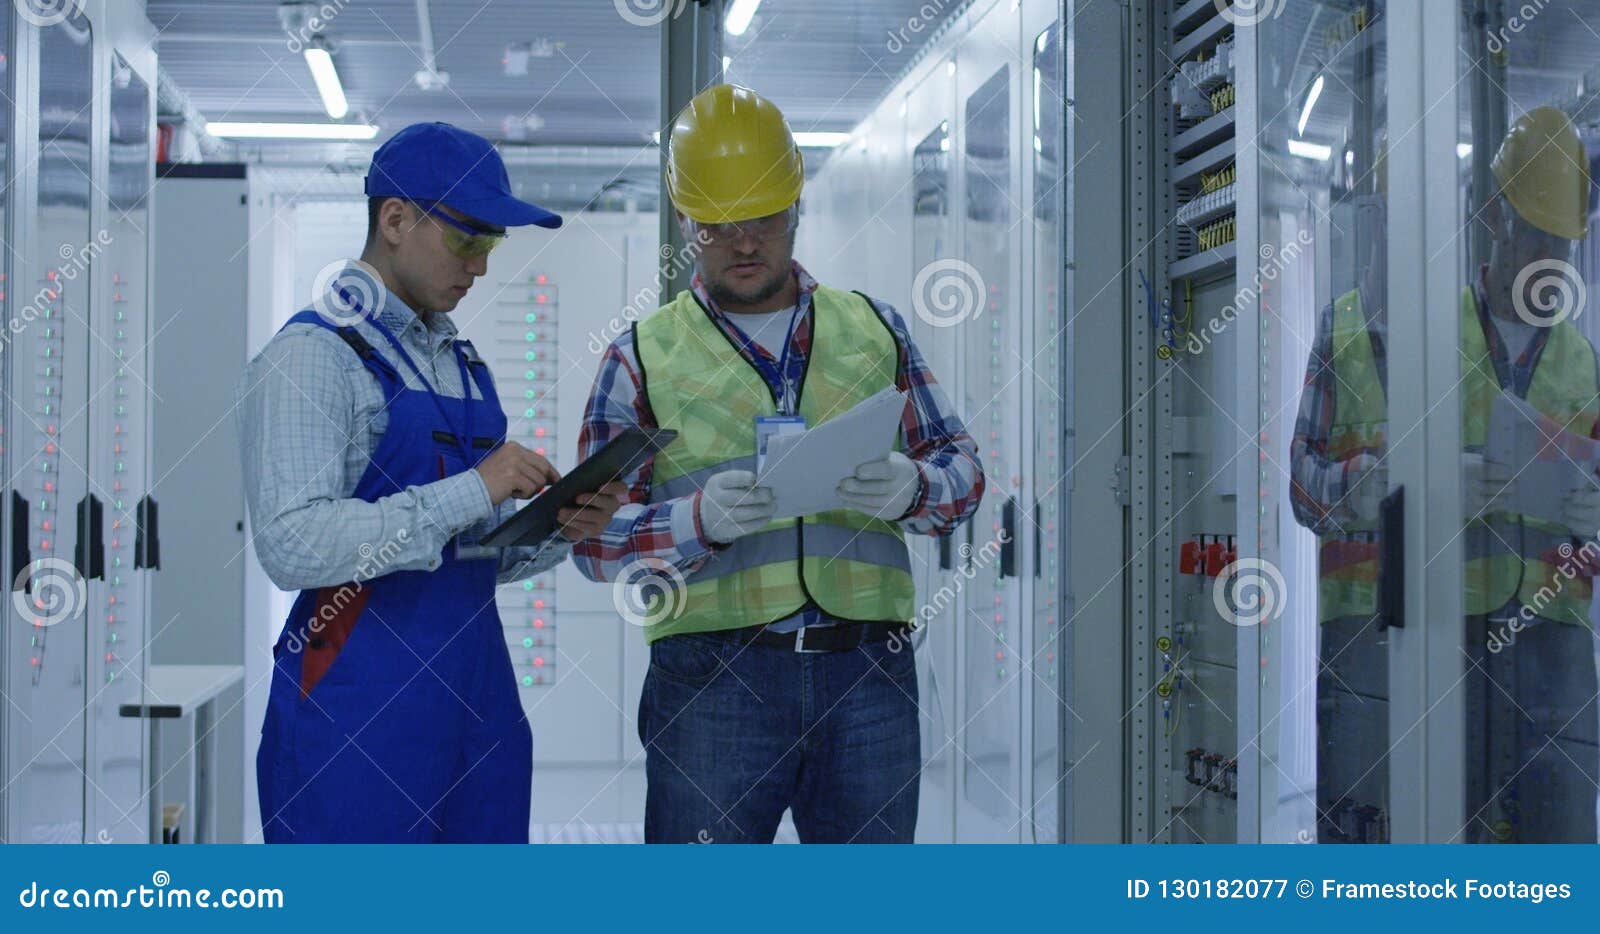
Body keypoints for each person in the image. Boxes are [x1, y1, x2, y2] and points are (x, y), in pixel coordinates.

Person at [574, 85, 984, 843]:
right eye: (718, 226)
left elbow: (962, 474)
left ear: (796, 202)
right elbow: (592, 542)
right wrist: (694, 524)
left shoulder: (874, 329)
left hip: (866, 676)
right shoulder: (639, 356)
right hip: (713, 685)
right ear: (686, 222)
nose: (745, 243)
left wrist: (914, 488)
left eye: (763, 216)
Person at [238, 122, 625, 843]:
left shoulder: (457, 360)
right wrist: (474, 488)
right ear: (394, 220)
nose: (479, 267)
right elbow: (291, 544)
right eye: (467, 239)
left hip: (478, 708)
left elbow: (466, 555)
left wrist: (558, 529)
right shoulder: (313, 355)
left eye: (490, 245)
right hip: (357, 714)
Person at [1291, 107, 1600, 842]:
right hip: (1438, 628)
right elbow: (1320, 483)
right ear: (1494, 220)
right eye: (1538, 240)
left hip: (1554, 644)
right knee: (1429, 835)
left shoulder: (1584, 362)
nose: (1552, 262)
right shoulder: (1425, 335)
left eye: (1566, 247)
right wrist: (1409, 485)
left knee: (1556, 842)